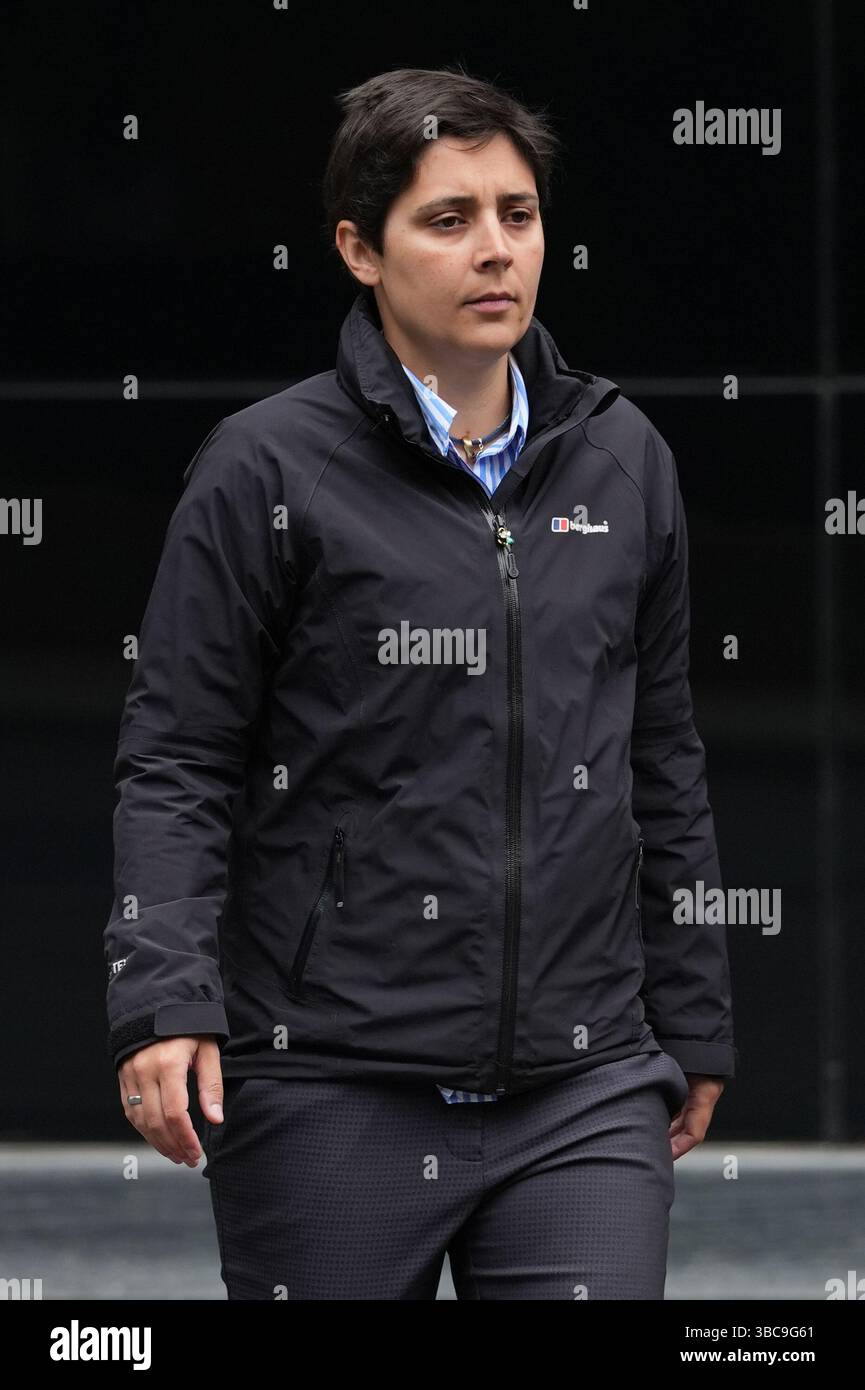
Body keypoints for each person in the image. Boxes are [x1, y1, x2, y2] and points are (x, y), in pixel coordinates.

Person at [105, 64, 737, 1300]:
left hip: (584, 1083)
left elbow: (661, 754)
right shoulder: (267, 468)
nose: (495, 248)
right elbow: (177, 755)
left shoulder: (621, 458)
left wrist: (693, 1012)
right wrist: (163, 999)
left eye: (518, 213)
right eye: (448, 219)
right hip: (329, 1077)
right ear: (359, 248)